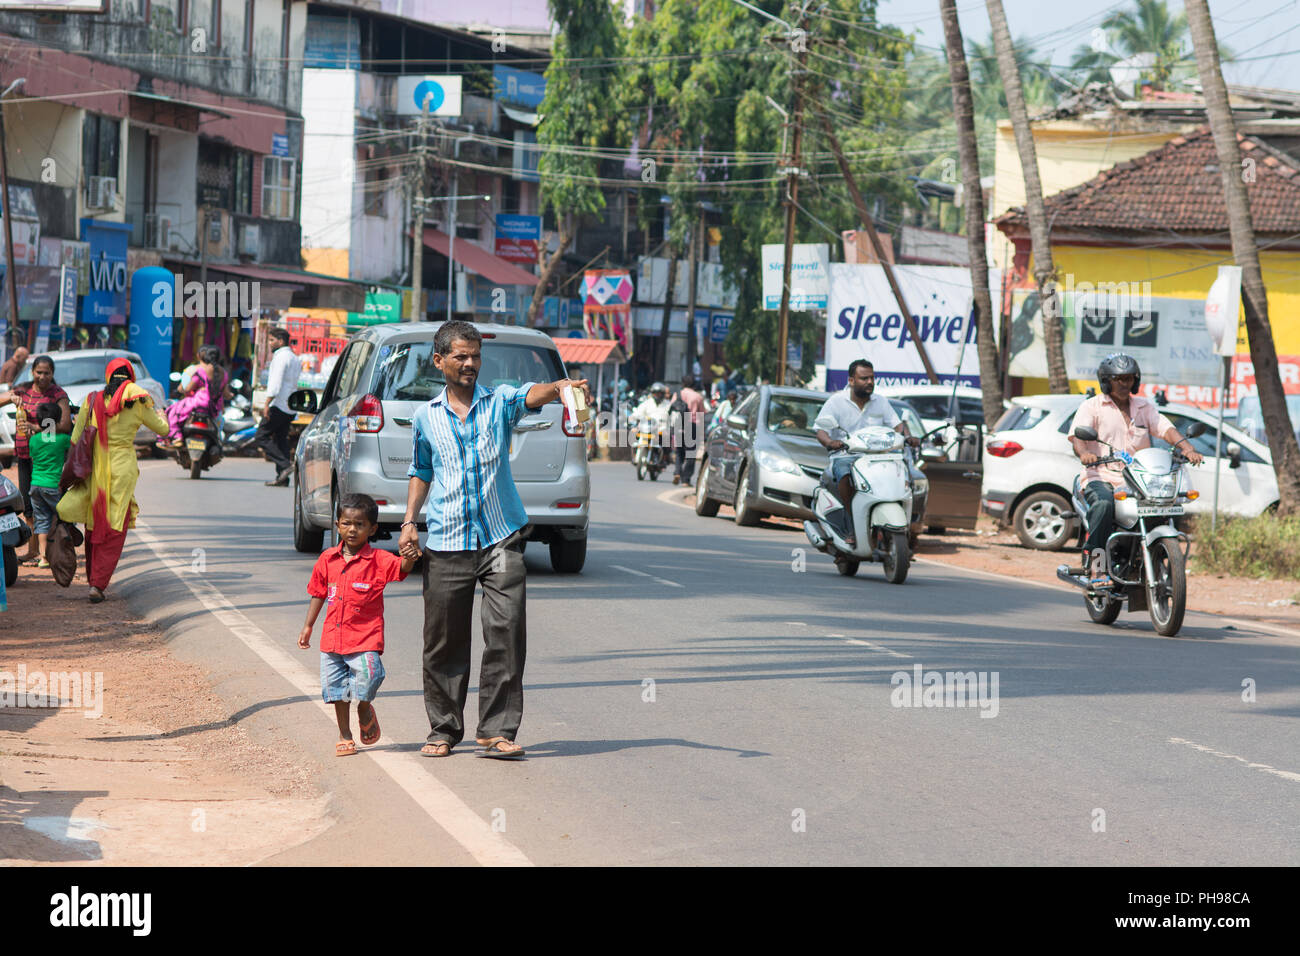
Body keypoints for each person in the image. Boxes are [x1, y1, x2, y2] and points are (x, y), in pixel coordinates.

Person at [398, 320, 589, 759]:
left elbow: (529, 394)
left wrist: (560, 386)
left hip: (500, 539)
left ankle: (496, 730)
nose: (470, 364)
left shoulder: (497, 403)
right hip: (446, 541)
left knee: (506, 628)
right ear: (439, 360)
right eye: (461, 356)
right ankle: (444, 728)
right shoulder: (427, 417)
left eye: (476, 356)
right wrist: (410, 521)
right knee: (443, 639)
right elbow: (420, 470)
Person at [298, 493, 417, 757]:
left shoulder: (379, 560)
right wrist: (308, 626)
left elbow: (402, 568)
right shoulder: (327, 559)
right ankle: (344, 734)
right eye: (346, 523)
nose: (352, 529)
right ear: (337, 524)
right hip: (332, 638)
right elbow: (318, 593)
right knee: (336, 689)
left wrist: (410, 555)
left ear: (372, 529)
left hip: (365, 639)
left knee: (372, 675)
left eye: (360, 524)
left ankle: (364, 706)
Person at [1069, 353, 1203, 585]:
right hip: (1101, 476)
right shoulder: (1091, 406)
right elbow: (1078, 437)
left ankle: (1160, 559)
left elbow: (1166, 429)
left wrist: (1188, 448)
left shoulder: (1144, 407)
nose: (1124, 384)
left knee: (1171, 505)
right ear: (1106, 381)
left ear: (1136, 381)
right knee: (1103, 505)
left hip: (1140, 481)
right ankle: (1097, 566)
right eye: (1118, 379)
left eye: (1129, 379)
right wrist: (1085, 454)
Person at [56, 357, 169, 602]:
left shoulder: (92, 399)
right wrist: (162, 414)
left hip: (95, 468)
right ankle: (98, 583)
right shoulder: (138, 400)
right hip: (122, 469)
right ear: (130, 377)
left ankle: (93, 581)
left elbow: (76, 438)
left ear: (108, 376)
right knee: (116, 524)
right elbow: (163, 430)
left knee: (95, 521)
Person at [813, 359, 919, 548]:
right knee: (845, 477)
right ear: (851, 381)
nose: (870, 382)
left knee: (904, 476)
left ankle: (903, 529)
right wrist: (830, 442)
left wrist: (908, 437)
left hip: (878, 457)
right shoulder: (836, 401)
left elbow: (897, 425)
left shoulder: (881, 402)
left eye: (872, 378)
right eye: (864, 378)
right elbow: (821, 429)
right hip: (846, 456)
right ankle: (850, 522)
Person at [0, 354, 72, 564]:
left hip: (47, 460)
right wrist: (10, 398)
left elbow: (65, 425)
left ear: (52, 374)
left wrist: (37, 428)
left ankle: (53, 551)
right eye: (39, 372)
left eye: (46, 373)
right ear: (32, 372)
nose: (42, 376)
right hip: (24, 456)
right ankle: (34, 551)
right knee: (29, 504)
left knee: (53, 506)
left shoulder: (58, 394)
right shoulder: (22, 389)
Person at [27, 401, 71, 570]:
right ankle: (62, 555)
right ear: (58, 420)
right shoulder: (63, 440)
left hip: (35, 485)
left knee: (42, 521)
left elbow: (33, 458)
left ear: (39, 421)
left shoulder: (34, 440)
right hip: (54, 485)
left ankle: (44, 558)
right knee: (63, 519)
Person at [257, 327, 298, 486]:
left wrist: (266, 403)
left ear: (280, 341)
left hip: (279, 404)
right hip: (289, 405)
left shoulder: (281, 357)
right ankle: (282, 477)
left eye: (272, 340)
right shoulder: (294, 357)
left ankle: (285, 466)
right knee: (281, 439)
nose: (269, 343)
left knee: (261, 436)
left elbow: (275, 383)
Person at [165, 345, 229, 445]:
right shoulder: (224, 373)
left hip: (196, 406)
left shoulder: (194, 370)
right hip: (216, 410)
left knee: (172, 413)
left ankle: (177, 437)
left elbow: (184, 388)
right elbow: (226, 393)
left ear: (199, 356)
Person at [672, 375, 706, 486]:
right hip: (692, 425)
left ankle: (677, 472)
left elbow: (671, 408)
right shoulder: (698, 397)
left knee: (679, 452)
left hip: (679, 424)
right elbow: (702, 414)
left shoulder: (678, 394)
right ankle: (685, 480)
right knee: (691, 453)